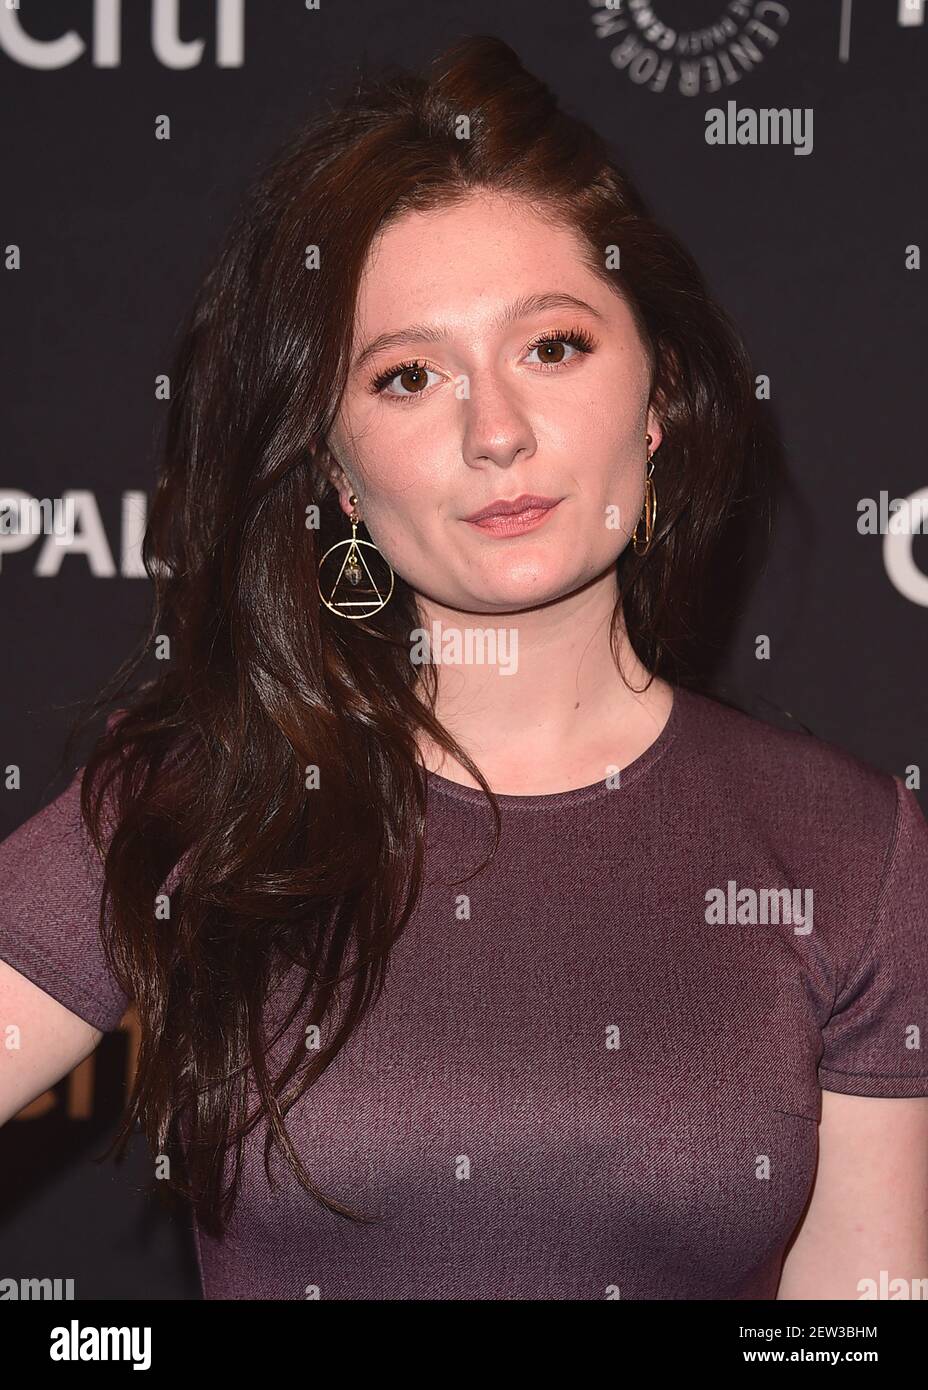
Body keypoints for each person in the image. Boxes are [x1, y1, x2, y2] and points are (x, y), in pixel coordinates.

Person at [1, 35, 926, 1302]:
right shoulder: (195, 803)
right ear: (334, 466)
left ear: (655, 396)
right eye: (409, 374)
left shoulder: (851, 853)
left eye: (552, 346)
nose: (495, 432)